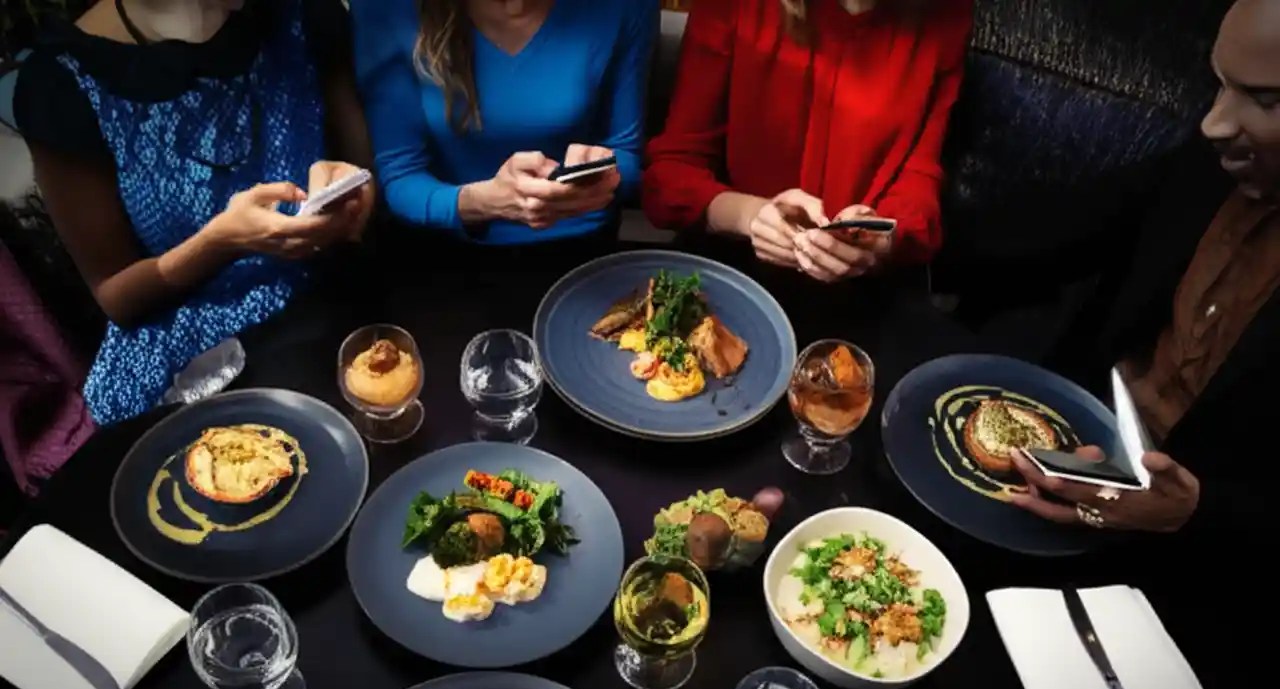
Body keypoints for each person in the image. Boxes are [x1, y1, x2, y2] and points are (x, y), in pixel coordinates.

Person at [13, 0, 375, 426]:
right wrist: (220, 242)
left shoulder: (301, 15)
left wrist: (350, 198)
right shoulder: (62, 85)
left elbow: (366, 183)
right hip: (188, 352)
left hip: (320, 307)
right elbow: (116, 296)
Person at [1009, 0, 1278, 549]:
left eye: (1266, 99)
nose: (1214, 122)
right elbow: (1060, 228)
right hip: (1068, 448)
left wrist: (1196, 512)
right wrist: (891, 239)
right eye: (1220, 84)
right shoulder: (1213, 165)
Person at [643, 0, 972, 282]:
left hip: (863, 287)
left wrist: (880, 238)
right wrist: (749, 215)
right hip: (731, 265)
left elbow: (919, 178)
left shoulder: (946, 14)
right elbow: (672, 172)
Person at [351, 0, 656, 245]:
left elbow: (627, 154)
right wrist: (485, 202)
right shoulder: (388, 8)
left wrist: (599, 175)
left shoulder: (624, 6)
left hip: (583, 246)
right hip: (446, 252)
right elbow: (401, 176)